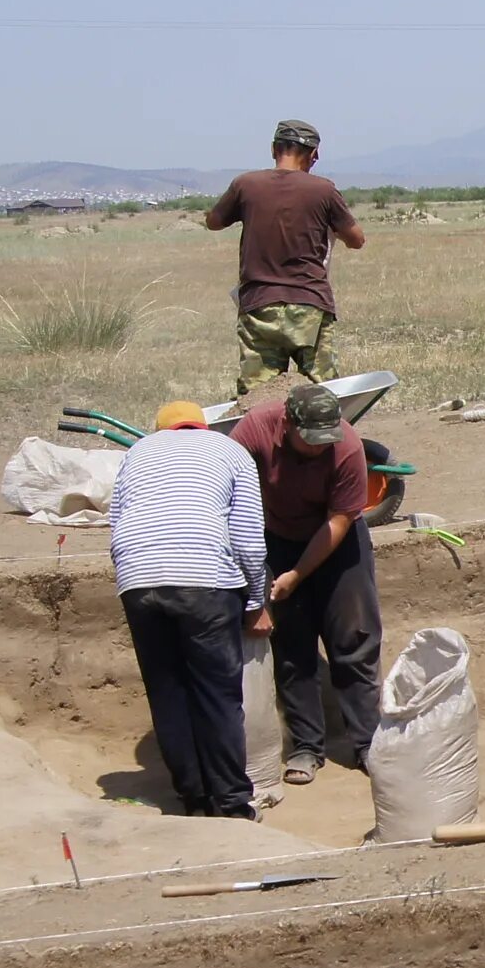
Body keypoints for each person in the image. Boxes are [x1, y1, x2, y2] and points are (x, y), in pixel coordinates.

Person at [108, 400, 267, 820]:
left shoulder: (136, 452)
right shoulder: (229, 449)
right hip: (204, 579)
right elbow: (249, 533)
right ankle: (232, 803)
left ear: (161, 428)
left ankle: (193, 799)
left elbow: (117, 519)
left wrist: (135, 575)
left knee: (168, 692)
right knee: (217, 695)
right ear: (202, 424)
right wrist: (255, 599)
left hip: (138, 578)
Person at [228, 381, 381, 783]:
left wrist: (297, 575)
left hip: (339, 541)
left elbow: (340, 519)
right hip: (277, 537)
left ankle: (367, 743)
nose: (319, 448)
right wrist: (261, 569)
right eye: (310, 441)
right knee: (292, 647)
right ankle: (307, 747)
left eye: (324, 441)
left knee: (354, 640)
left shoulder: (346, 446)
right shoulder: (255, 430)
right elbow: (233, 492)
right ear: (288, 424)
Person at [206, 119, 365, 395]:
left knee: (256, 399)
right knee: (323, 395)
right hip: (310, 304)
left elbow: (213, 222)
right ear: (314, 154)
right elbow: (357, 239)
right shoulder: (323, 190)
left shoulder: (245, 184)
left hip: (259, 305)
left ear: (273, 149)